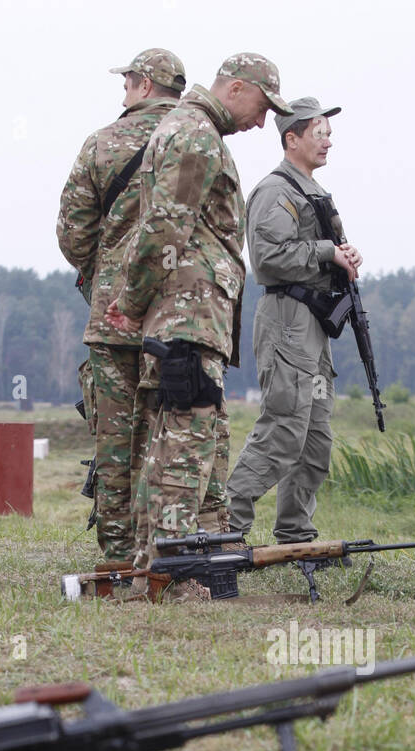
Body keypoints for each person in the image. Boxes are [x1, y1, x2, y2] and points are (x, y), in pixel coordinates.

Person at [106, 54, 291, 598]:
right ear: (237, 88)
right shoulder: (196, 135)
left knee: (167, 446)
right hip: (187, 317)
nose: (262, 122)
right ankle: (173, 578)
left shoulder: (187, 129)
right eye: (262, 107)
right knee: (183, 453)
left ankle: (151, 574)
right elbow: (167, 225)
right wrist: (131, 300)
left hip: (185, 317)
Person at [57, 49, 186, 562]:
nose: (124, 91)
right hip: (177, 314)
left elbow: (72, 232)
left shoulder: (103, 142)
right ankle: (169, 552)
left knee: (115, 440)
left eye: (128, 81)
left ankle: (115, 556)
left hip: (111, 316)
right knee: (173, 435)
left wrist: (105, 271)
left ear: (144, 85)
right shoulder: (195, 141)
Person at [225, 98, 362, 544]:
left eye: (328, 131)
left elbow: (319, 250)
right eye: (318, 131)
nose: (328, 139)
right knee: (284, 428)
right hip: (287, 321)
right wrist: (327, 253)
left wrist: (344, 256)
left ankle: (295, 531)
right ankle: (225, 528)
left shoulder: (312, 190)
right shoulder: (275, 191)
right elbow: (266, 258)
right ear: (292, 138)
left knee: (315, 434)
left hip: (314, 326)